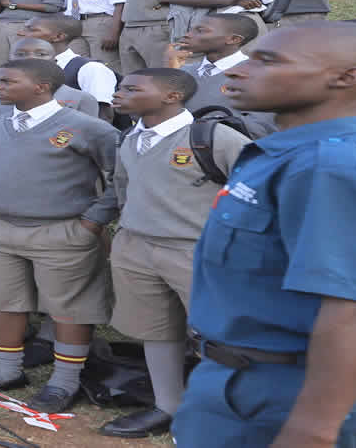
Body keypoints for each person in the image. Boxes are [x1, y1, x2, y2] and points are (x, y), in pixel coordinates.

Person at [177, 22, 356, 447]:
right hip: (238, 378)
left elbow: (355, 309)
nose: (239, 70)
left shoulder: (335, 166)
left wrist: (312, 430)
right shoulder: (286, 152)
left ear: (348, 78)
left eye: (268, 60)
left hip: (295, 392)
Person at [0, 58, 119, 412]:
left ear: (41, 86)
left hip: (62, 232)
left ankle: (64, 382)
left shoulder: (87, 128)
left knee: (69, 308)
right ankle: (7, 371)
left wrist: (95, 220)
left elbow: (122, 175)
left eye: (6, 81)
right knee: (3, 301)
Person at [100, 68, 247, 438]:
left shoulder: (211, 137)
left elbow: (257, 190)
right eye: (120, 88)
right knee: (156, 329)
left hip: (195, 250)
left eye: (132, 88)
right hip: (137, 246)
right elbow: (123, 188)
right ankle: (168, 405)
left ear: (171, 96)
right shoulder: (129, 137)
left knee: (217, 336)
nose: (119, 94)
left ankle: (225, 412)